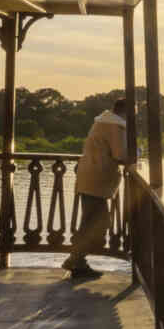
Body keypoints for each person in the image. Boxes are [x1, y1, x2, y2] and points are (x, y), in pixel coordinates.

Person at [60, 99, 133, 280]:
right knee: (100, 223)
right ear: (125, 112)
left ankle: (78, 262)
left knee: (90, 221)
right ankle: (75, 259)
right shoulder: (116, 127)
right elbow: (120, 155)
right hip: (97, 179)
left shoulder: (102, 122)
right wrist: (137, 153)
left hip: (89, 176)